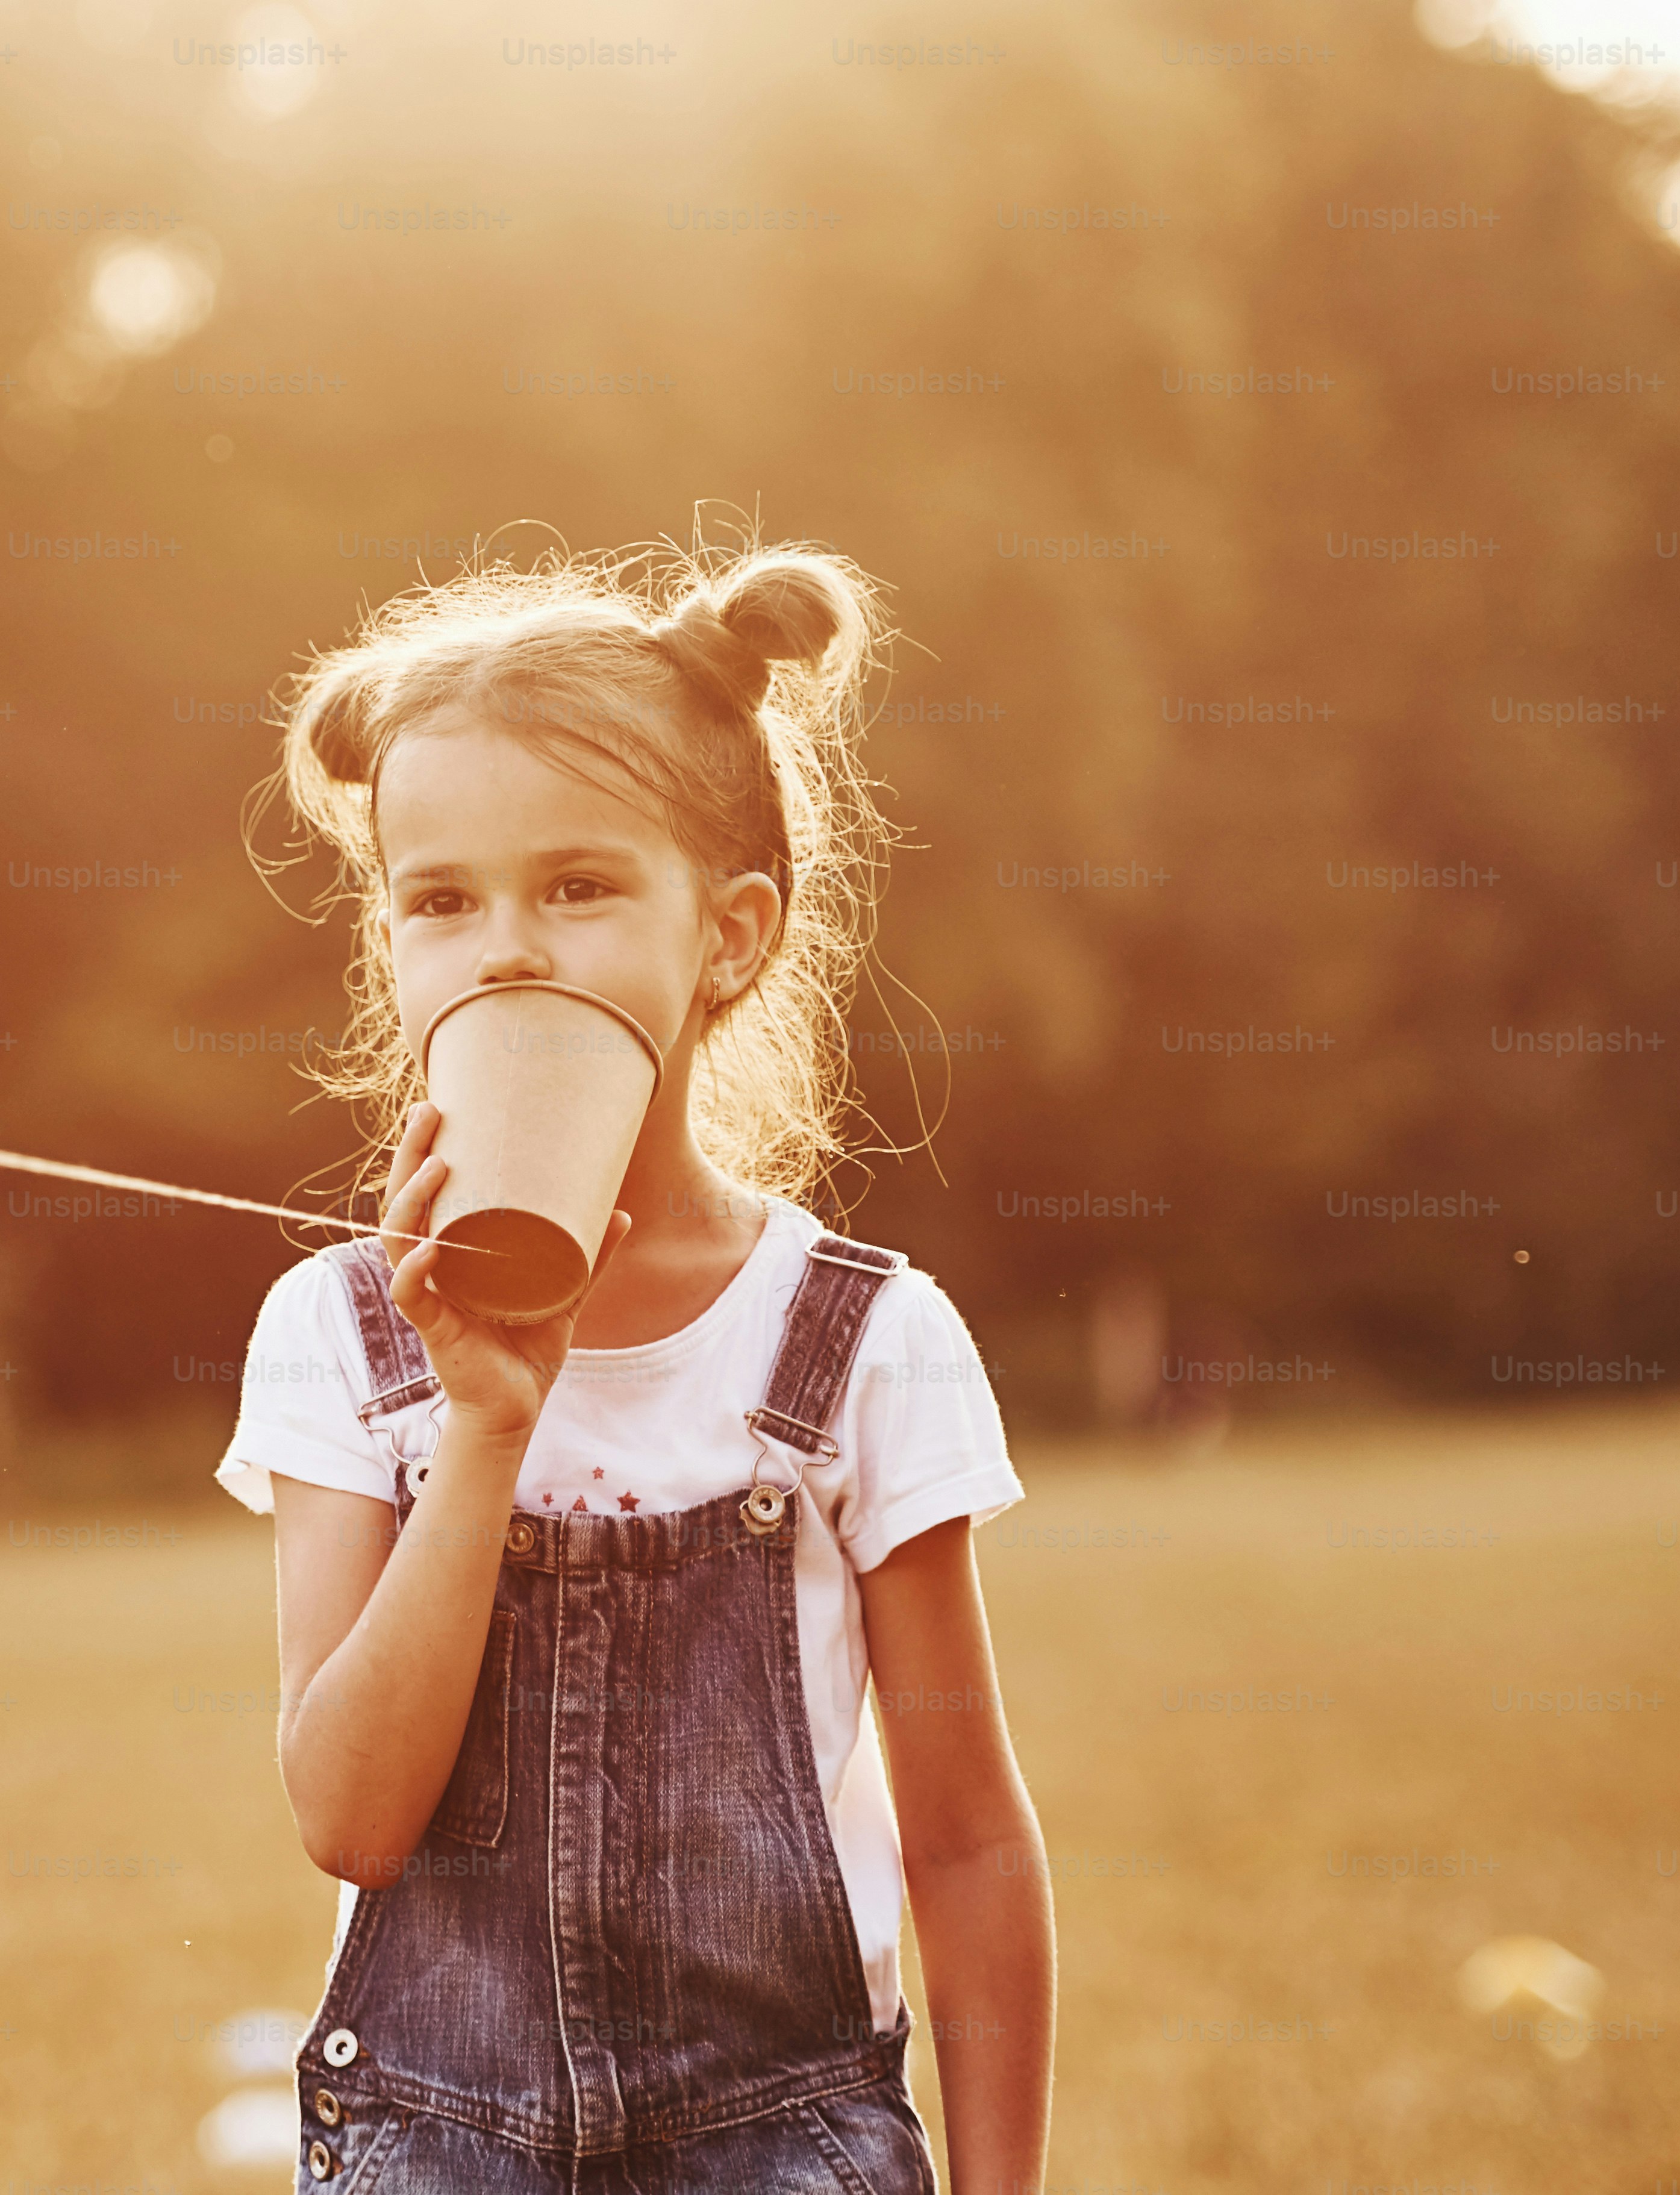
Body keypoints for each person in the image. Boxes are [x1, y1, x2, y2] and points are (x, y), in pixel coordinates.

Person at [216, 539, 1057, 2191]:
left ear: (731, 934)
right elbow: (350, 1816)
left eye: (578, 884)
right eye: (440, 898)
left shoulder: (867, 1340)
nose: (505, 945)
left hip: (784, 2148)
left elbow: (965, 1836)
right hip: (433, 2147)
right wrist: (482, 1425)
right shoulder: (340, 1333)